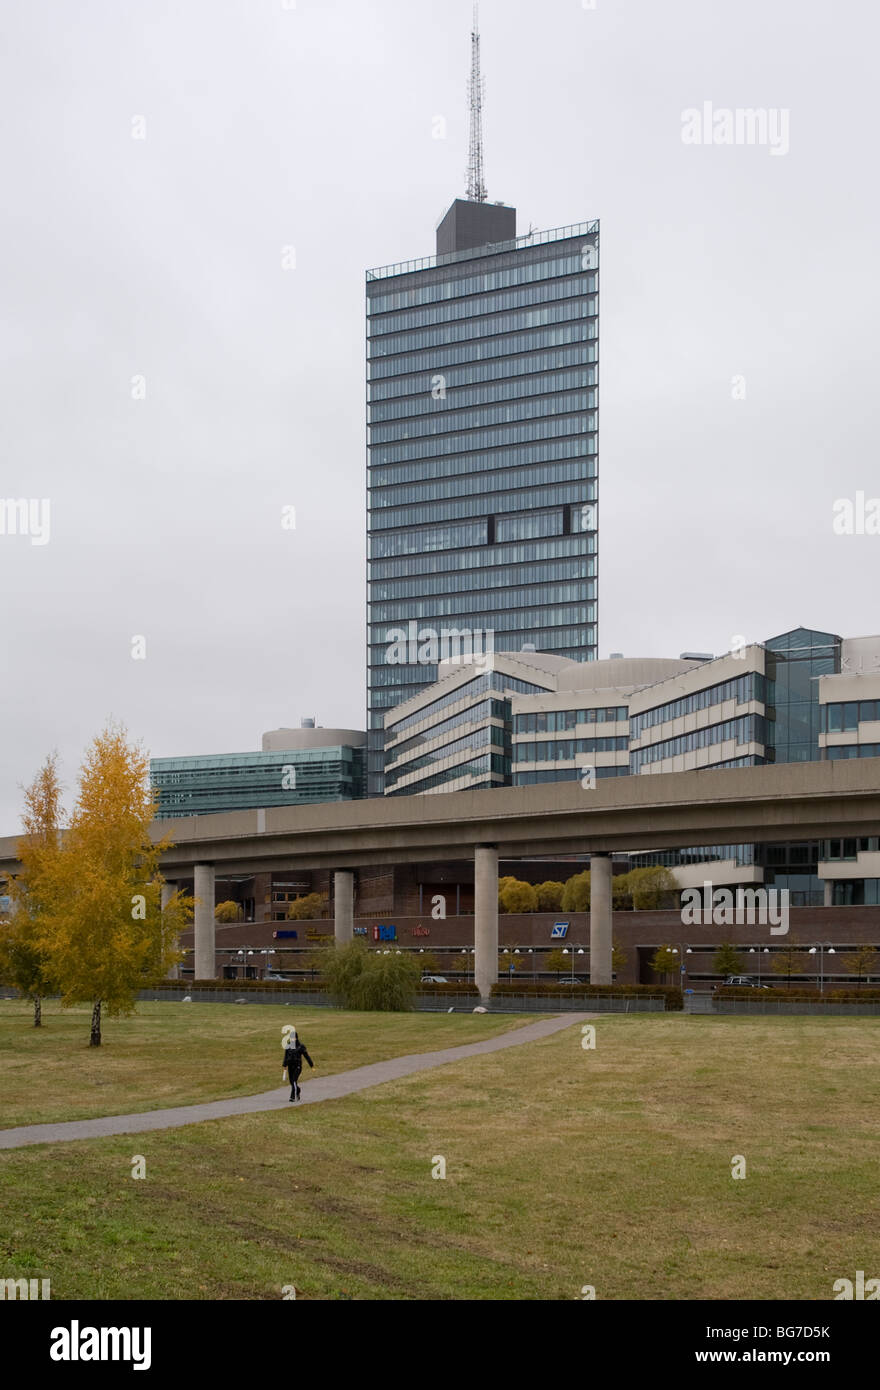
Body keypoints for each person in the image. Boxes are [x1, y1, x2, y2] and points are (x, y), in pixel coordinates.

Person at [282, 1029, 314, 1102]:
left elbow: (306, 1056)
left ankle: (292, 1097)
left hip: (298, 1066)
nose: (292, 1039)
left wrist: (311, 1065)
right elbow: (286, 1056)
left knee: (294, 1081)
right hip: (290, 1066)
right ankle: (298, 1090)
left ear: (296, 1038)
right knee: (291, 1082)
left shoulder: (300, 1047)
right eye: (291, 1038)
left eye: (294, 1038)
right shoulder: (288, 1046)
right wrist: (285, 1065)